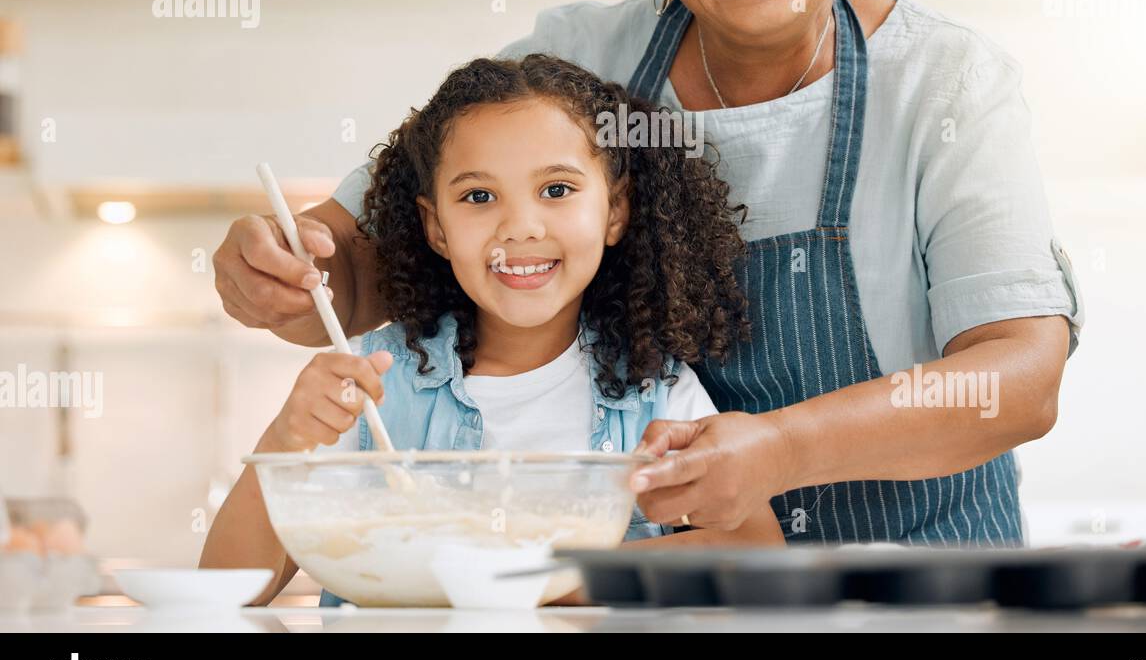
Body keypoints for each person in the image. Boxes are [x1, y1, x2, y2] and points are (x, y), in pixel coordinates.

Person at [214, 0, 1084, 548]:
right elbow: (358, 271)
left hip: (921, 590)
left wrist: (782, 451)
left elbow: (1018, 379)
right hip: (695, 603)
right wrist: (280, 273)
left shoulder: (948, 86)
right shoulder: (580, 64)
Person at [201, 54, 784, 606]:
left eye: (557, 190)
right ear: (437, 228)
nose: (521, 227)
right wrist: (287, 439)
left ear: (614, 211)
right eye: (479, 196)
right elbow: (232, 589)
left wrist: (537, 579)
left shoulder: (654, 391)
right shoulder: (372, 384)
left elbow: (751, 555)